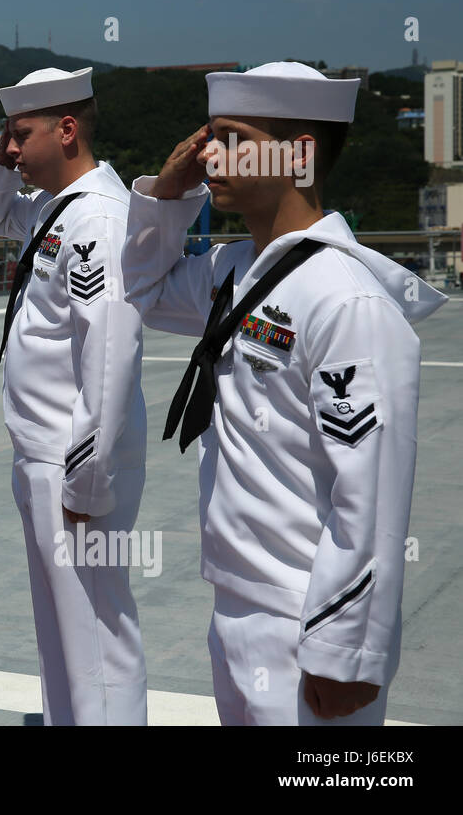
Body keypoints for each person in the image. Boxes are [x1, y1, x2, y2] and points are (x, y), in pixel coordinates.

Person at [122, 61, 448, 724]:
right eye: (211, 135)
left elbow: (372, 490)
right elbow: (145, 291)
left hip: (306, 620)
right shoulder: (232, 269)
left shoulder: (345, 300)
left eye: (234, 138)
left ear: (297, 155)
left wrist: (344, 650)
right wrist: (165, 196)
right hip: (236, 604)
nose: (212, 153)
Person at [0, 67, 148, 725]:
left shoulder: (99, 220)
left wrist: (87, 484)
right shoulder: (59, 210)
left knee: (98, 643)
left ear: (67, 130)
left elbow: (110, 356)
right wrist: (1, 160)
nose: (11, 150)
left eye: (21, 136)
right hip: (42, 460)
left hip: (73, 467)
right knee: (63, 640)